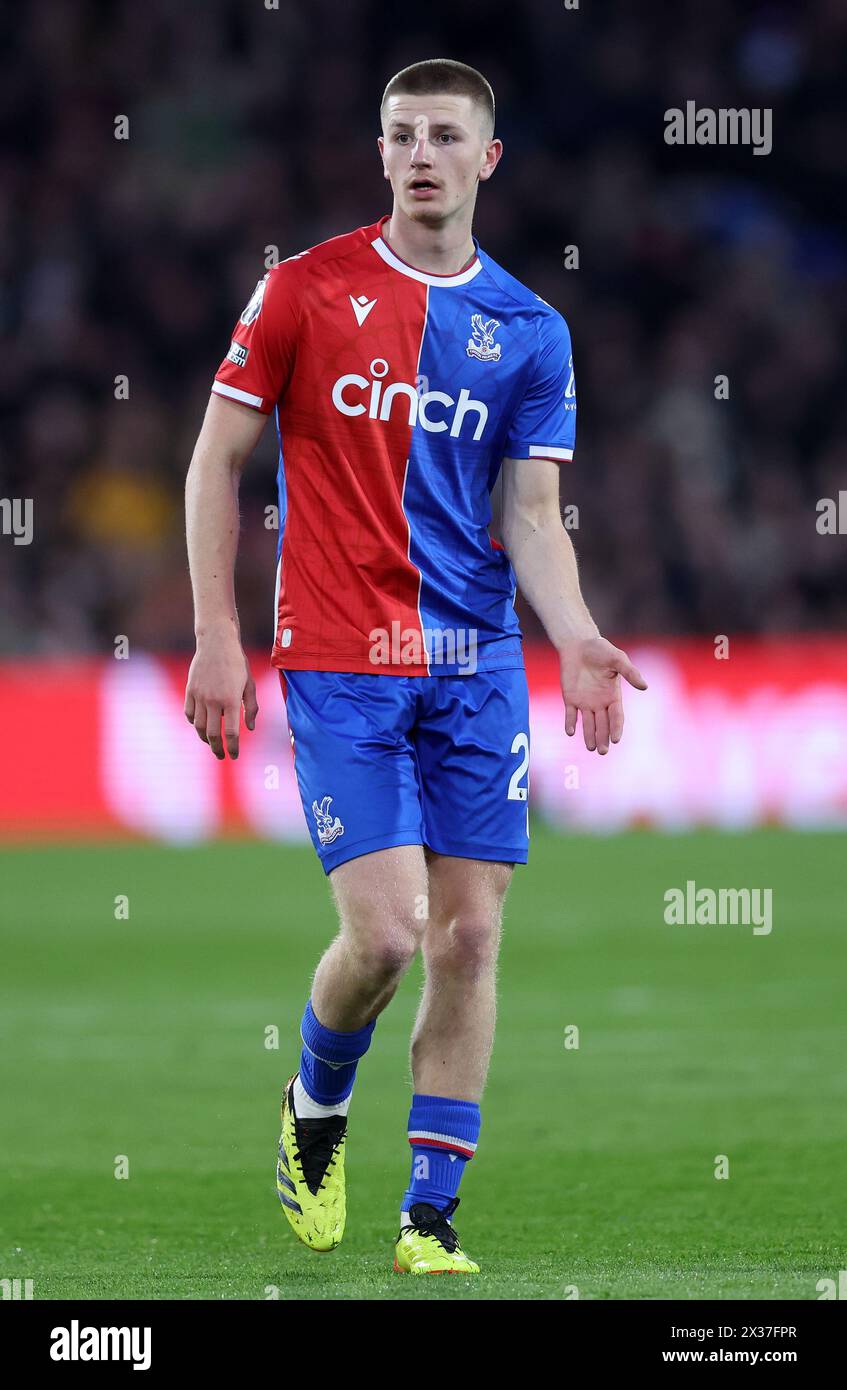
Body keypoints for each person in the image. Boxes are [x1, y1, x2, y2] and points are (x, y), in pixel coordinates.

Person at [184, 58, 646, 1276]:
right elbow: (213, 461)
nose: (423, 154)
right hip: (340, 656)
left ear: (487, 158)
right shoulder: (301, 290)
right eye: (402, 135)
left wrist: (580, 636)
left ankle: (429, 1215)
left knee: (471, 938)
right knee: (387, 936)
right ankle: (315, 1114)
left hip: (474, 661)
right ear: (380, 153)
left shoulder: (530, 332)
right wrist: (219, 636)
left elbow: (533, 519)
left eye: (447, 135)